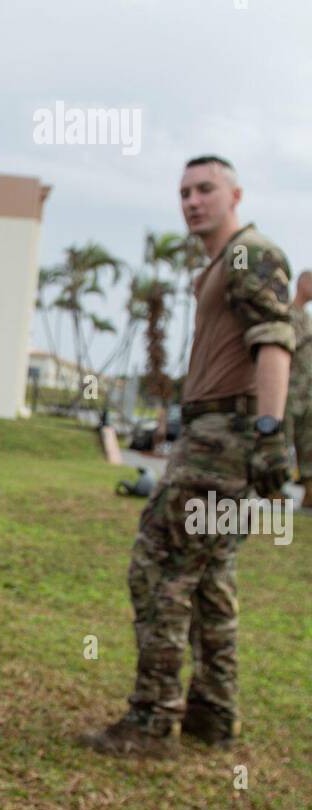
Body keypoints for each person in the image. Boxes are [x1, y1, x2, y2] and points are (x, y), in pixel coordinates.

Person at [83, 155, 294, 756]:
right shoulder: (216, 268)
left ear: (236, 194)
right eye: (184, 192)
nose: (193, 201)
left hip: (222, 440)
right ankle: (212, 713)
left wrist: (270, 430)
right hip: (212, 433)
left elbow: (275, 341)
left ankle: (152, 722)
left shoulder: (249, 255)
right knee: (208, 577)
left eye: (206, 189)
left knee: (160, 568)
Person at [285, 270, 312, 497]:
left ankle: (309, 487)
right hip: (287, 389)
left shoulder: (308, 318)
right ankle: (275, 488)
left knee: (308, 440)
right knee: (282, 437)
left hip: (307, 391)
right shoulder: (286, 313)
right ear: (302, 283)